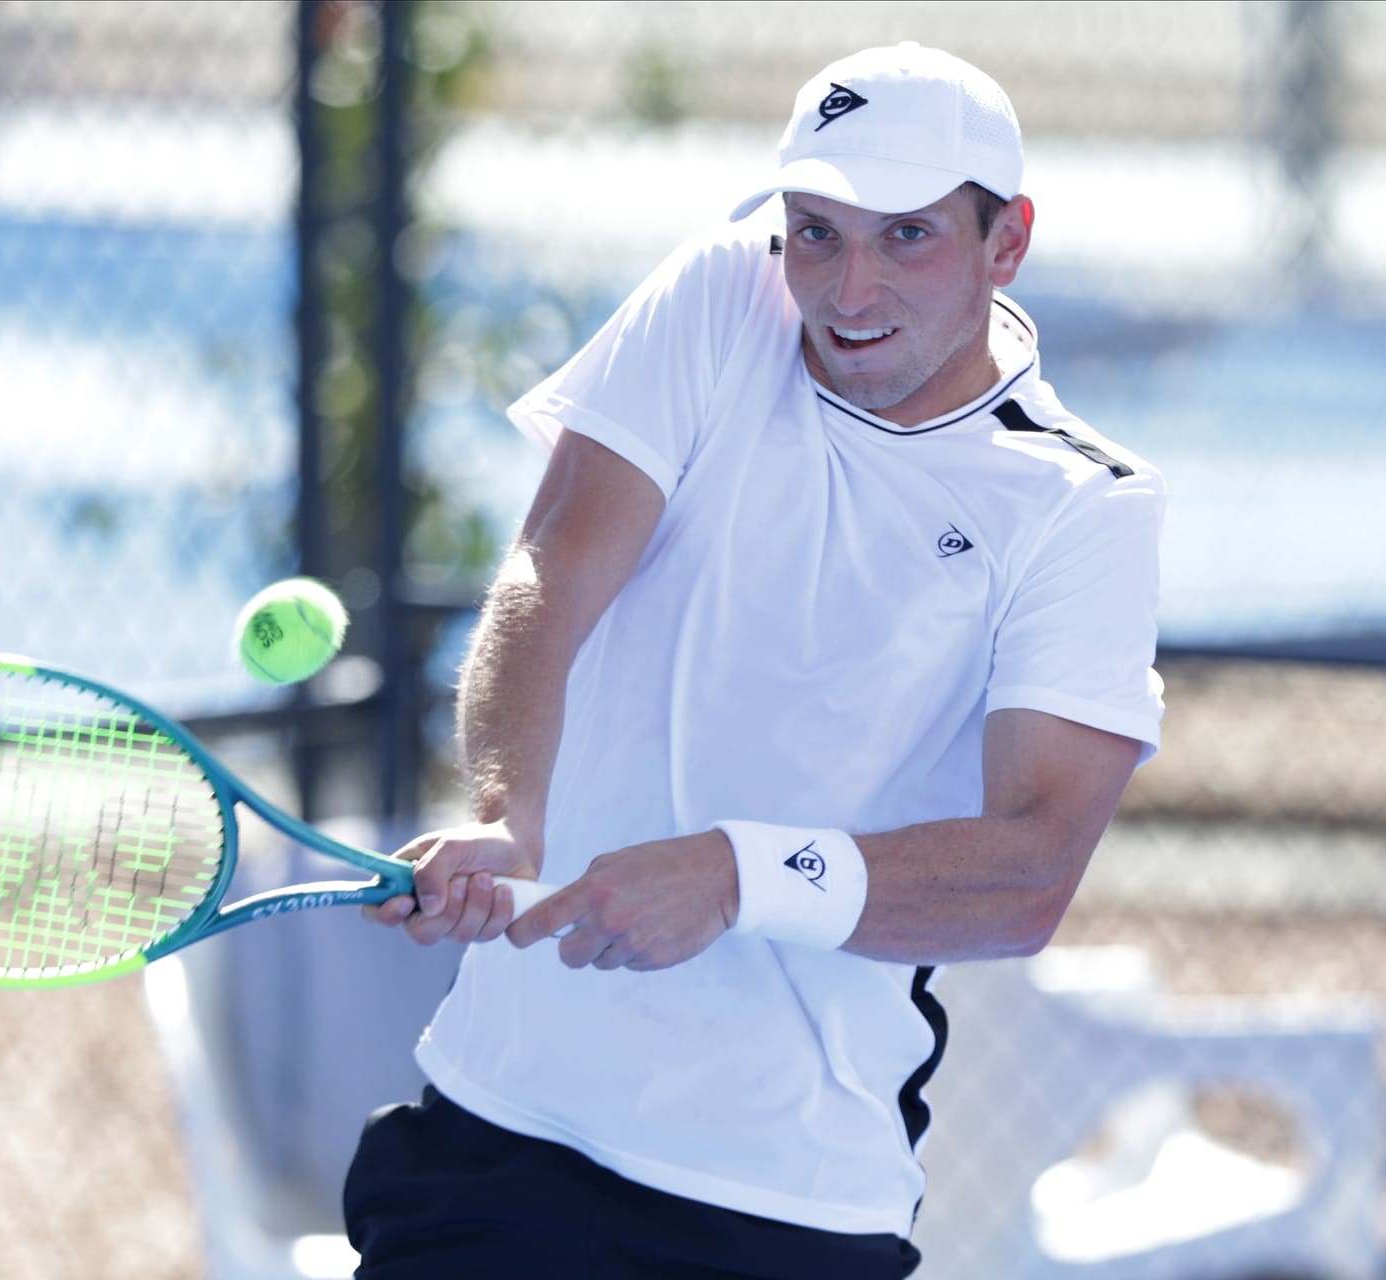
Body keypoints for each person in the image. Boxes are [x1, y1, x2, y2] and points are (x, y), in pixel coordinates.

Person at [345, 41, 1165, 1279]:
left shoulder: (1082, 506)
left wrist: (737, 875)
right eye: (817, 231)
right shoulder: (725, 292)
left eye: (907, 236)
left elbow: (1030, 872)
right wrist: (509, 815)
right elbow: (550, 568)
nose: (847, 285)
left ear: (1008, 244)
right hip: (501, 1129)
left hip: (783, 1200)